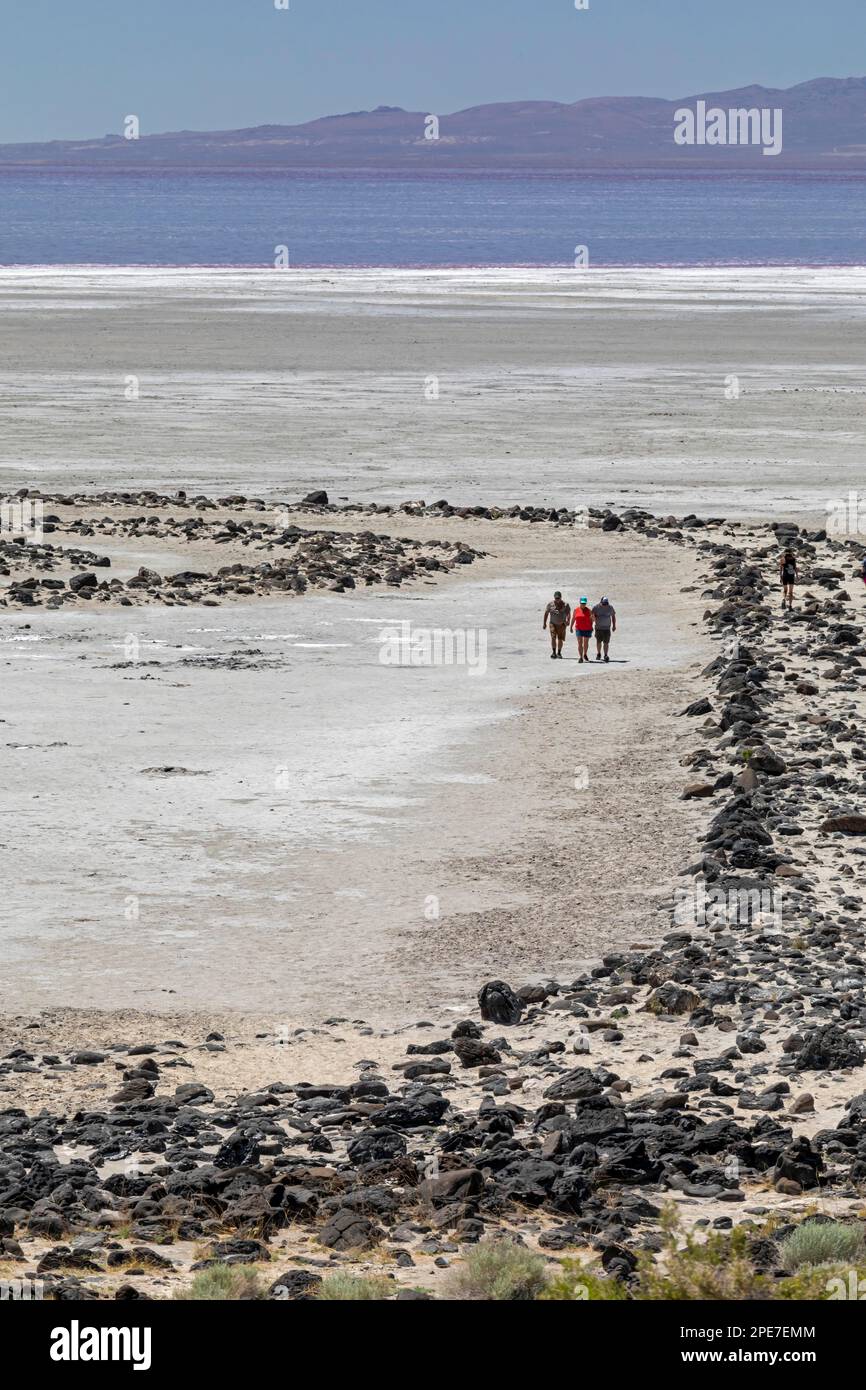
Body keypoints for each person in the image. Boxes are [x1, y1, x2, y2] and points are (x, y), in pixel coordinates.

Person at [543, 590, 571, 658]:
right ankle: (553, 652)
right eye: (556, 598)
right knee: (553, 637)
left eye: (558, 598)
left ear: (561, 598)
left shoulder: (565, 605)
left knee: (560, 639)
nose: (557, 600)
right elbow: (546, 613)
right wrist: (544, 623)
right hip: (553, 623)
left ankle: (559, 653)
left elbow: (568, 613)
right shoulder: (550, 604)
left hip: (562, 624)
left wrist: (568, 620)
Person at [592, 595, 617, 662]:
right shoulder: (596, 607)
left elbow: (613, 616)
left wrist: (614, 626)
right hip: (598, 628)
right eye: (604, 604)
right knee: (598, 641)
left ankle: (606, 655)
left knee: (606, 642)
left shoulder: (610, 607)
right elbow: (592, 615)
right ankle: (599, 653)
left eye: (606, 604)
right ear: (601, 602)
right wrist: (592, 622)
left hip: (607, 628)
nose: (605, 605)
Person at [571, 595, 594, 662]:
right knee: (580, 643)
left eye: (584, 603)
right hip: (579, 628)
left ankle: (585, 654)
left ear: (586, 603)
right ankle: (580, 657)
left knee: (586, 643)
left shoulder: (589, 610)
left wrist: (592, 623)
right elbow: (573, 618)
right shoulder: (576, 610)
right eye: (582, 603)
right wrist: (571, 627)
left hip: (587, 628)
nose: (583, 604)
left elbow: (592, 620)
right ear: (580, 602)